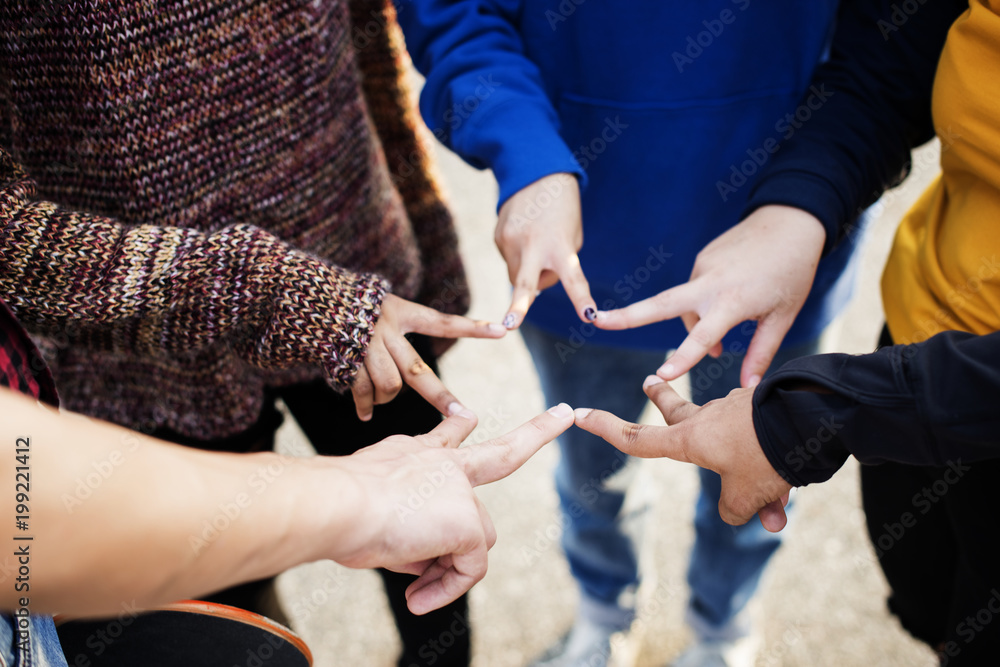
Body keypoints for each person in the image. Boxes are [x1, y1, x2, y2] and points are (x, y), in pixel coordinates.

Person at [0, 1, 498, 664]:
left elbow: (366, 45)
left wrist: (422, 222)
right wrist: (269, 290)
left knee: (433, 543)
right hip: (143, 347)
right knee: (225, 611)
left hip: (362, 276)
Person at [396, 2, 869, 664]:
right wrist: (527, 154)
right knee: (594, 474)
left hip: (785, 258)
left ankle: (723, 630)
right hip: (582, 265)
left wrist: (809, 202)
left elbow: (887, 55)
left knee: (763, 479)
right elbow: (454, 15)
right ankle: (605, 616)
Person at [575, 0, 999, 663]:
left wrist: (810, 416)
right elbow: (891, 61)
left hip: (938, 396)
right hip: (920, 335)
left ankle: (722, 633)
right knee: (934, 606)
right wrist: (797, 204)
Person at [0, 295, 575, 666]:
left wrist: (291, 291)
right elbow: (22, 511)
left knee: (433, 567)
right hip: (144, 366)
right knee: (237, 626)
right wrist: (365, 501)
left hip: (347, 281)